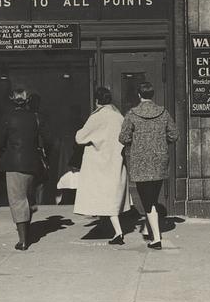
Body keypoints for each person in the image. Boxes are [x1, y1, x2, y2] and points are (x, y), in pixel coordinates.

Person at [119, 81, 178, 250]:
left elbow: (123, 138)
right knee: (152, 198)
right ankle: (148, 228)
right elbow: (174, 135)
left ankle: (156, 239)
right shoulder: (163, 113)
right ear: (152, 95)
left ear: (139, 95)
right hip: (159, 161)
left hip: (140, 161)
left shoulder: (132, 114)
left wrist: (137, 142)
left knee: (148, 201)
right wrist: (159, 142)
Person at [73, 87, 131, 245]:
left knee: (104, 197)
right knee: (112, 195)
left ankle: (118, 233)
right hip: (115, 161)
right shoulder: (118, 116)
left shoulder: (97, 117)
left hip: (100, 163)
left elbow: (80, 137)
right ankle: (108, 227)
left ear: (97, 101)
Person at [0, 88, 45, 251]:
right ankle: (27, 233)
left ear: (12, 100)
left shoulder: (8, 117)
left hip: (15, 163)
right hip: (32, 163)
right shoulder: (35, 117)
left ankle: (23, 240)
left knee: (17, 200)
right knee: (27, 198)